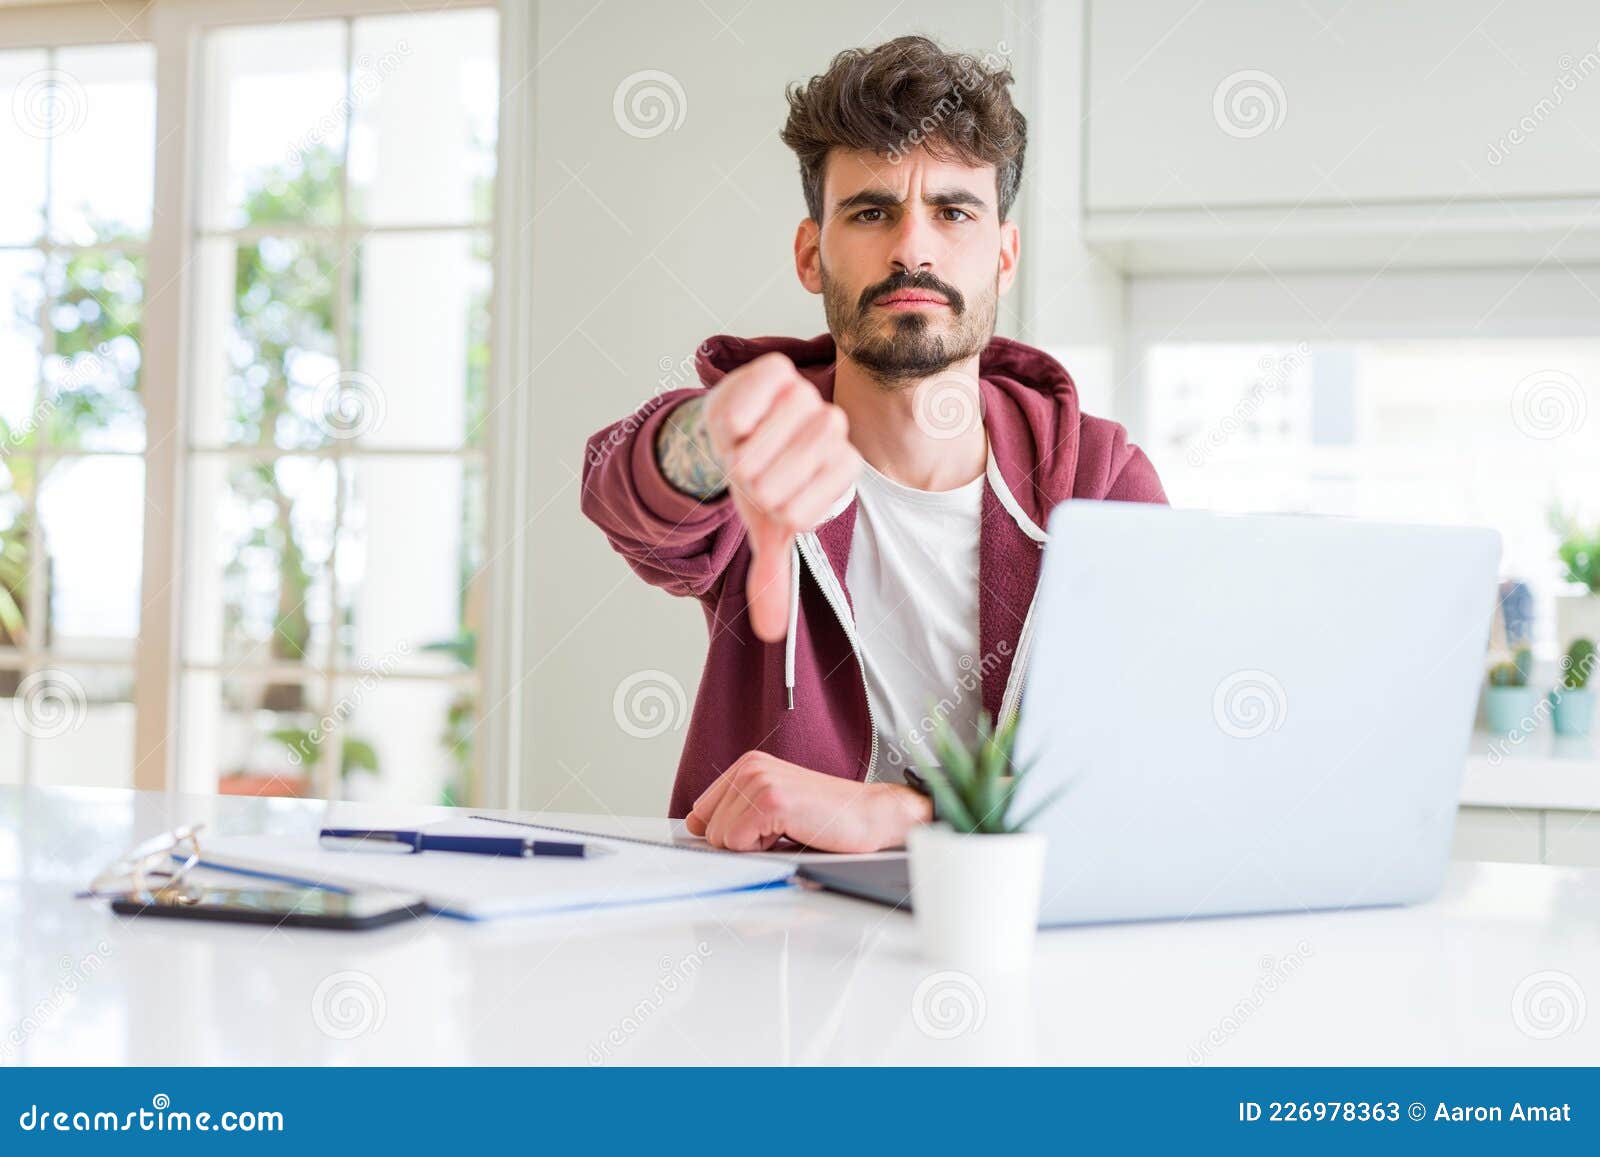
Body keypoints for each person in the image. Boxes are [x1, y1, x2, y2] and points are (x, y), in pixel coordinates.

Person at [581, 35, 1166, 853]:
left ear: (1004, 256)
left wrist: (901, 811)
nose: (912, 248)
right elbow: (624, 493)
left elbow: (1146, 766)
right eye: (870, 210)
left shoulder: (1099, 482)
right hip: (762, 936)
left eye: (954, 211)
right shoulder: (761, 452)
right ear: (811, 254)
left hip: (1020, 934)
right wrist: (707, 438)